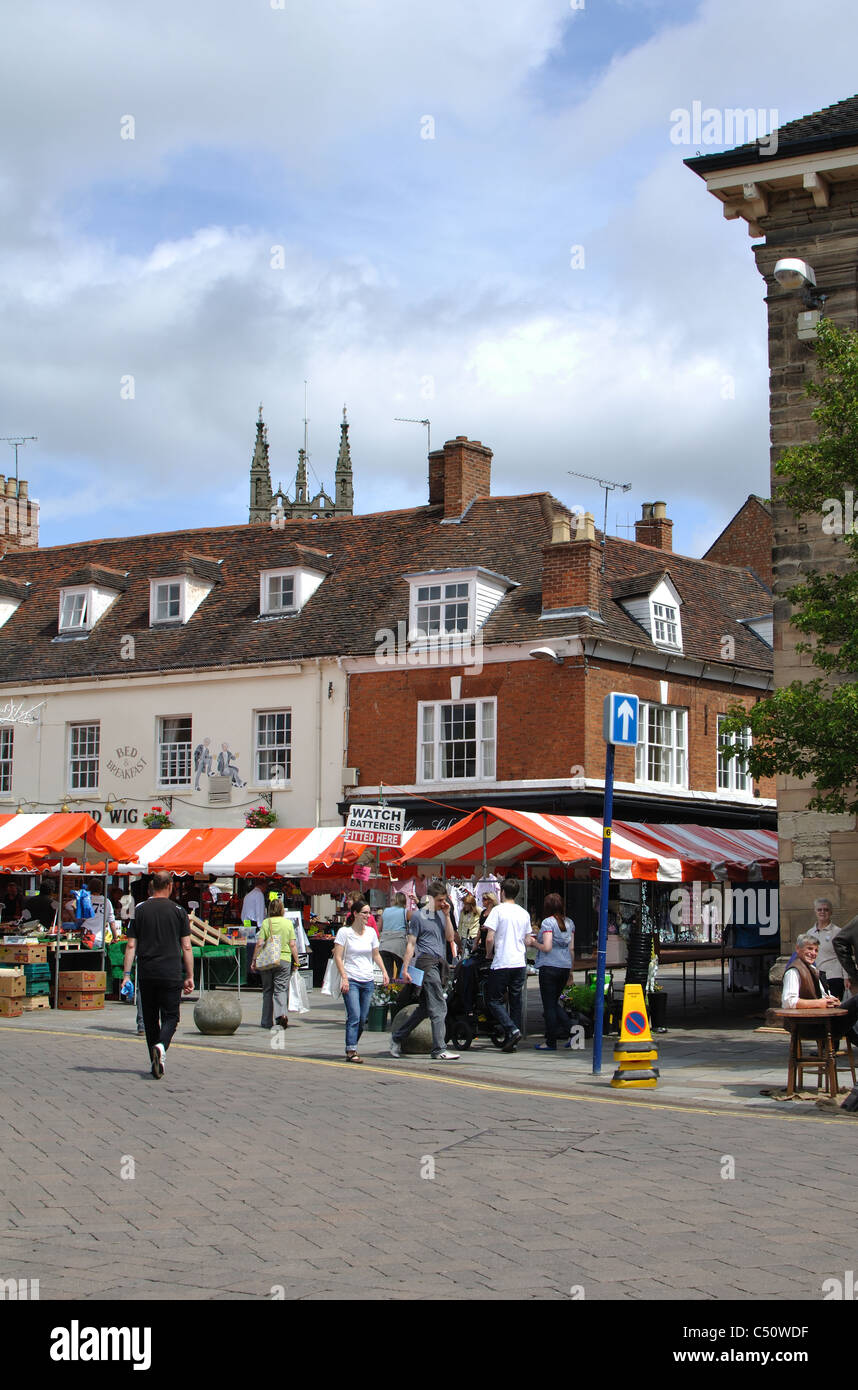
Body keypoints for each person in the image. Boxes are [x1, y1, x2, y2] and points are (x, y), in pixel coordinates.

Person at [122, 870, 194, 1079]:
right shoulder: (179, 911)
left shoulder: (139, 909)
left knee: (150, 1019)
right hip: (170, 972)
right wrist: (189, 975)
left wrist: (127, 975)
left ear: (152, 886)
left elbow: (131, 945)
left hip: (147, 972)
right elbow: (187, 947)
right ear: (170, 886)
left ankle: (155, 1058)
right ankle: (161, 1047)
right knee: (171, 1016)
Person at [389, 881, 460, 1062]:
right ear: (430, 899)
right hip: (426, 963)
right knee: (439, 1006)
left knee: (424, 1009)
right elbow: (411, 944)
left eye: (445, 900)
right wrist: (405, 968)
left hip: (439, 963)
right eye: (440, 900)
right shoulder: (418, 917)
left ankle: (397, 1037)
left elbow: (450, 938)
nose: (443, 903)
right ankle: (439, 1049)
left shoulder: (442, 915)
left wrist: (447, 915)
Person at [484, 877, 537, 1052]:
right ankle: (511, 1038)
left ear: (502, 892)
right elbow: (529, 940)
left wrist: (489, 953)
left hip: (502, 962)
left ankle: (511, 1029)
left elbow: (490, 937)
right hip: (519, 962)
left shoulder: (498, 911)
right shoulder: (524, 913)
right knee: (515, 1001)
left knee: (493, 1000)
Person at [334, 898, 388, 1063]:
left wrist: (385, 972)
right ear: (355, 914)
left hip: (368, 980)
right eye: (364, 912)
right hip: (351, 979)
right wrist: (344, 977)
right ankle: (351, 1049)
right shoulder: (345, 933)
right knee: (355, 1015)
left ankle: (352, 1044)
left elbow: (376, 954)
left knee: (363, 1018)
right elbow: (338, 956)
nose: (368, 915)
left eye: (369, 913)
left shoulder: (371, 932)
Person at [533, 893, 574, 1050]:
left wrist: (533, 943)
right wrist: (571, 970)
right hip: (564, 966)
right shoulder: (569, 923)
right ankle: (574, 1033)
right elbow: (572, 949)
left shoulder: (547, 923)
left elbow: (547, 947)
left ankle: (551, 1041)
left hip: (549, 966)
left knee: (549, 1005)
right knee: (553, 1003)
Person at [253, 895, 301, 1030]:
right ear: (282, 910)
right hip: (284, 959)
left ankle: (266, 1021)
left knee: (267, 990)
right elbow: (292, 944)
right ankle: (281, 1015)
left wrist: (254, 959)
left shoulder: (266, 922)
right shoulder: (288, 923)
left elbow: (260, 943)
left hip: (268, 959)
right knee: (281, 989)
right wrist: (296, 961)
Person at [807, 898, 845, 999]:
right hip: (816, 978)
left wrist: (846, 978)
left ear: (831, 912)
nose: (822, 912)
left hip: (834, 977)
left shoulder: (838, 932)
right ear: (815, 911)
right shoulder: (809, 933)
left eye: (826, 909)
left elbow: (843, 956)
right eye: (819, 909)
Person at [377, 892, 411, 978]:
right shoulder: (405, 912)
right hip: (398, 946)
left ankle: (389, 990)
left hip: (384, 945)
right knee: (401, 972)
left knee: (388, 974)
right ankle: (399, 990)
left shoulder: (385, 911)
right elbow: (417, 919)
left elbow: (378, 928)